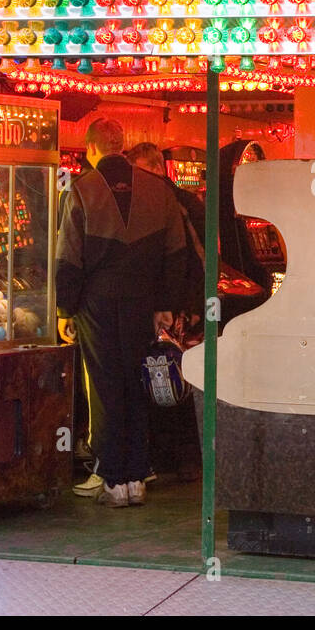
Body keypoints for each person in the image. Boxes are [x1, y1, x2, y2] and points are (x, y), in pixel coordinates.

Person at [57, 118, 186, 507]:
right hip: (142, 300)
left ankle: (113, 479)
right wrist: (165, 304)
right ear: (123, 144)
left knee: (104, 385)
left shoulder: (82, 190)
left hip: (96, 302)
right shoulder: (158, 190)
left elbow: (69, 258)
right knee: (136, 381)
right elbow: (176, 253)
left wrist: (66, 309)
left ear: (92, 148)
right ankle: (137, 476)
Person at [127, 141, 205, 483]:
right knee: (178, 380)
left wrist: (178, 305)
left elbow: (184, 259)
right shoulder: (186, 201)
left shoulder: (168, 203)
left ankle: (172, 457)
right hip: (185, 305)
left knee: (167, 380)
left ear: (155, 168)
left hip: (177, 308)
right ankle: (184, 457)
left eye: (140, 173)